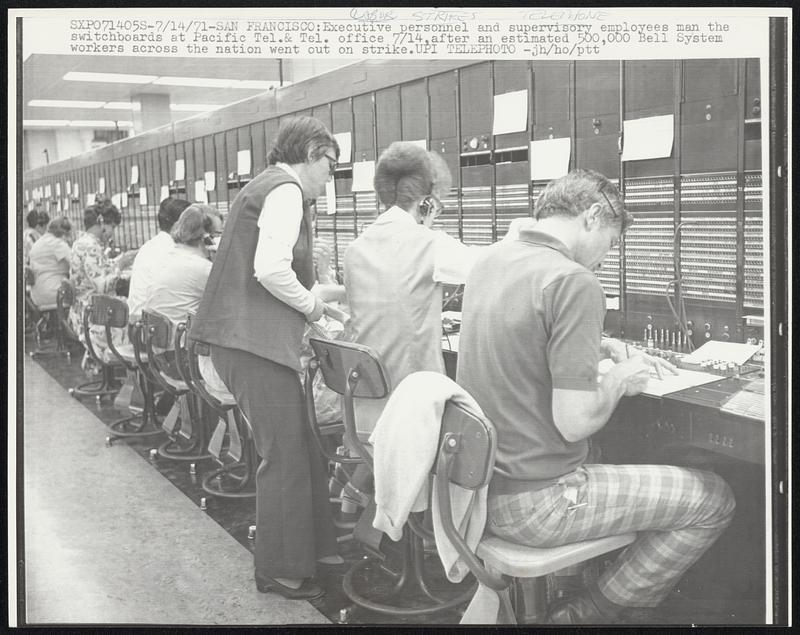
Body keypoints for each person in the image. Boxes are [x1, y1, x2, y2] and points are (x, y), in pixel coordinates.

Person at [456, 169, 736, 625]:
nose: (607, 257)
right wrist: (619, 379)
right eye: (611, 242)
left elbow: (520, 336)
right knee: (713, 497)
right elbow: (574, 423)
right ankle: (588, 613)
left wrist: (596, 343)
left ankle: (573, 592)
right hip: (537, 505)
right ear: (591, 216)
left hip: (482, 491)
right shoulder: (574, 281)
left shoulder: (491, 260)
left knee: (611, 453)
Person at [190, 116, 345, 600]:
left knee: (299, 446)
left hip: (248, 341)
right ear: (313, 153)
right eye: (330, 165)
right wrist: (316, 307)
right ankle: (279, 570)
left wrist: (325, 303)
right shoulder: (286, 190)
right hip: (250, 344)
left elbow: (273, 274)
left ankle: (314, 552)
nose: (330, 177)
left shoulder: (268, 186)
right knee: (285, 455)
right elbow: (270, 270)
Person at [343, 140, 528, 439]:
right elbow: (490, 264)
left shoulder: (355, 249)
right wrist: (517, 231)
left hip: (363, 405)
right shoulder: (427, 244)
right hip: (411, 411)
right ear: (427, 202)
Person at [69, 200, 137, 363]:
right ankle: (136, 375)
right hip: (95, 318)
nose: (112, 232)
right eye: (112, 227)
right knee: (138, 320)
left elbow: (95, 271)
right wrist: (120, 266)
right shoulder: (91, 246)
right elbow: (103, 286)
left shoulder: (82, 242)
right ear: (100, 221)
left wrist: (120, 260)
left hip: (84, 311)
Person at [141, 204, 222, 326]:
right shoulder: (202, 268)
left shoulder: (165, 257)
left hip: (156, 340)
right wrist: (219, 262)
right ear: (206, 237)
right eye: (218, 234)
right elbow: (232, 301)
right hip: (183, 342)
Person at [127, 197, 192, 322]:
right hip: (156, 329)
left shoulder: (150, 246)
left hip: (138, 326)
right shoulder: (175, 251)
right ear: (181, 225)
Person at [29, 217, 73, 308]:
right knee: (84, 295)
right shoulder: (58, 244)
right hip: (55, 294)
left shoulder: (38, 243)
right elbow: (76, 263)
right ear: (65, 233)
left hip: (37, 295)